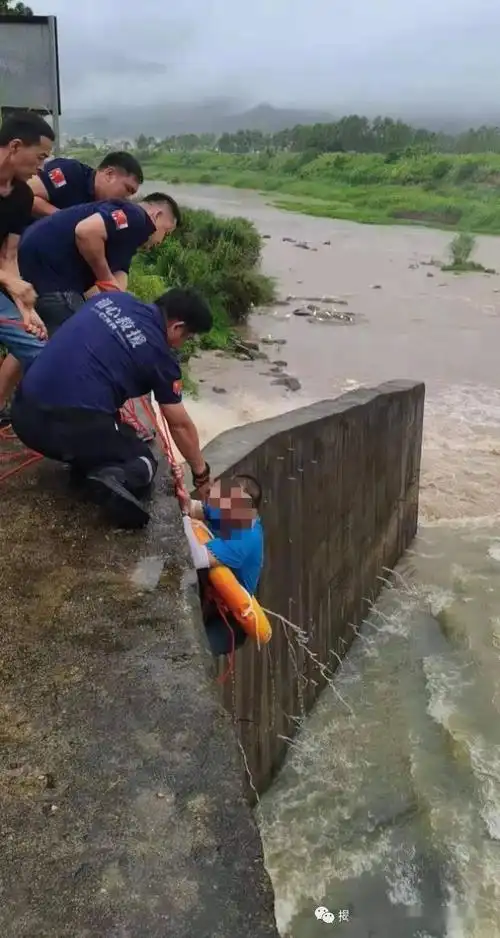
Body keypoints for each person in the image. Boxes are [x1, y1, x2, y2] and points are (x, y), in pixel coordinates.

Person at [11, 287, 213, 528]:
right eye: (186, 338)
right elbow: (179, 424)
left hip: (22, 412)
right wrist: (201, 474)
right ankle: (114, 476)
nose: (180, 345)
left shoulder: (111, 299)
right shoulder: (160, 356)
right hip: (61, 427)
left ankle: (88, 463)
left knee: (116, 429)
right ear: (177, 327)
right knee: (144, 459)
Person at [18, 192, 180, 336]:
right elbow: (86, 232)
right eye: (166, 232)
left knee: (35, 343)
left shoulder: (125, 240)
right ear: (157, 215)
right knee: (84, 341)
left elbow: (115, 287)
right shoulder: (136, 216)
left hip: (33, 271)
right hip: (52, 275)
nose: (161, 241)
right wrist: (106, 277)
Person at [0, 112, 55, 425]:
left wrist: (25, 309)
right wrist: (9, 281)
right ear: (15, 146)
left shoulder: (21, 195)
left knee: (39, 346)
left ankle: (43, 421)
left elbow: (8, 255)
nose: (42, 166)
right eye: (41, 156)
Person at [182, 475, 264, 656]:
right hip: (212, 600)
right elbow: (196, 508)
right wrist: (183, 499)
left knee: (190, 655)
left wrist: (184, 519)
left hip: (228, 622)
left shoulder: (243, 539)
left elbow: (195, 557)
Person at [29, 151, 144, 217]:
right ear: (109, 174)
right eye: (128, 189)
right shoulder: (70, 172)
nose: (127, 198)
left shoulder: (110, 210)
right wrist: (66, 218)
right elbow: (27, 196)